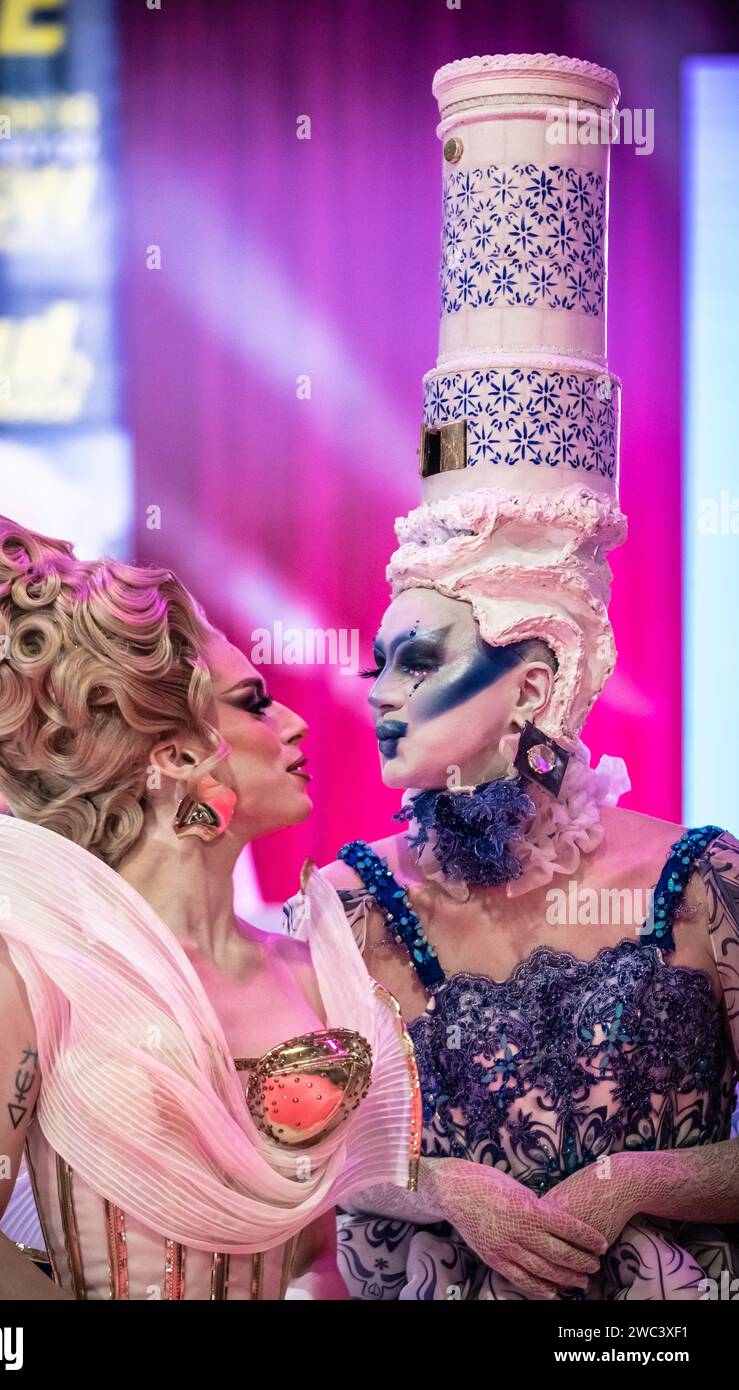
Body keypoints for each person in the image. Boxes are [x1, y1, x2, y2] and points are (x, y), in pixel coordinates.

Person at [283, 53, 739, 1300]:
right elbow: (277, 1154)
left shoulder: (698, 882)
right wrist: (435, 1184)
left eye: (418, 659)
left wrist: (635, 1180)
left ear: (538, 683)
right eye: (378, 661)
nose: (377, 693)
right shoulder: (347, 907)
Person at [0, 511, 421, 1301]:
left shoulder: (314, 974)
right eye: (255, 701)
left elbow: (320, 1256)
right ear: (175, 754)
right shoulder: (43, 963)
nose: (295, 722)